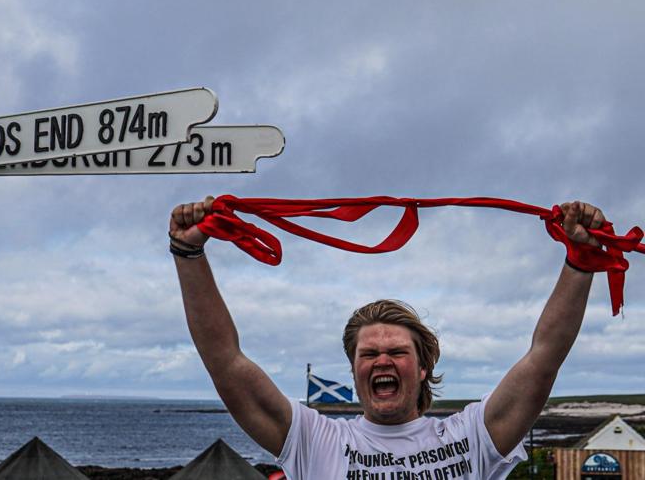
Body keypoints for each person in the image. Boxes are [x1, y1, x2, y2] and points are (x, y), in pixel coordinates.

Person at [170, 197, 604, 479]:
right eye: (369, 353)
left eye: (397, 352)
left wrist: (581, 263)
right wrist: (188, 254)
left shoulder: (471, 435)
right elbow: (225, 361)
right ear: (354, 368)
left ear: (422, 367)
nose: (382, 361)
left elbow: (543, 357)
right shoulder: (314, 439)